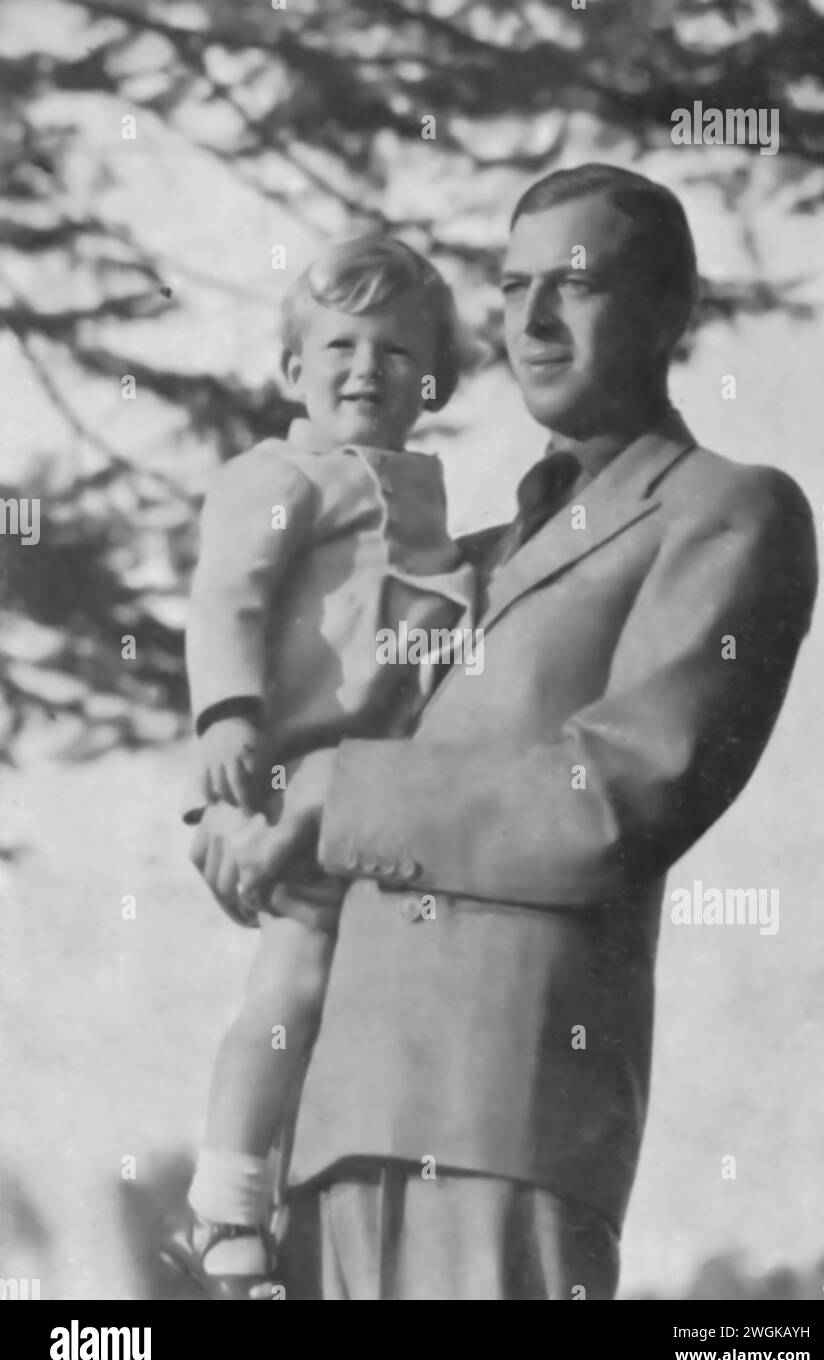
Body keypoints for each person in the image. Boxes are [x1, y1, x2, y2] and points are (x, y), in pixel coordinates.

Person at [191, 164, 818, 1300]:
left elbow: (616, 795)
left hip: (507, 1122)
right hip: (325, 1132)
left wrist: (337, 790)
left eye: (571, 285)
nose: (529, 319)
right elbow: (309, 689)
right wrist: (246, 816)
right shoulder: (457, 559)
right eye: (510, 284)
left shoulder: (728, 509)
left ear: (670, 307)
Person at [164, 235, 476, 1298]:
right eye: (339, 344)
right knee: (294, 974)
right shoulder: (280, 474)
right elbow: (224, 596)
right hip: (284, 765)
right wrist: (226, 717)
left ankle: (309, 1202)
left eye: (397, 351)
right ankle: (224, 1197)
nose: (366, 367)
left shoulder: (417, 491)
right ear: (293, 370)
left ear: (430, 379)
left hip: (374, 792)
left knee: (354, 1002)